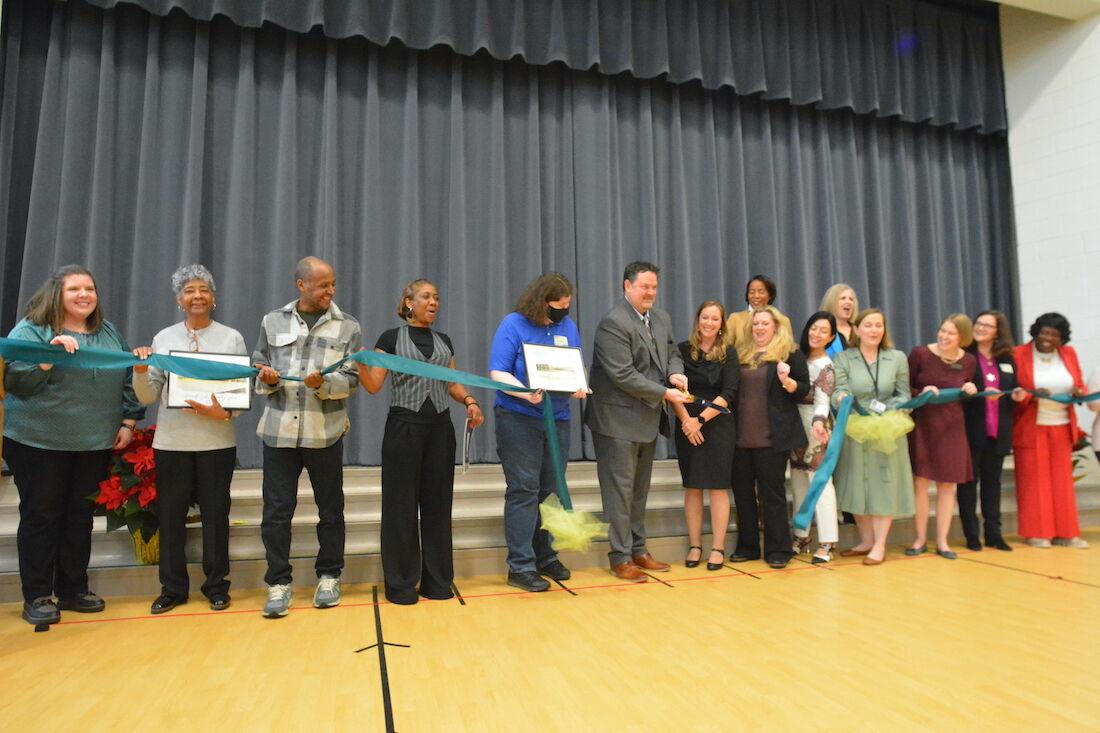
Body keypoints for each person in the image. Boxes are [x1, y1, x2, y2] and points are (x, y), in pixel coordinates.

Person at [3, 265, 145, 625]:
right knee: (41, 517)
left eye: (89, 289)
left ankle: (73, 589)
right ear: (57, 294)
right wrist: (48, 360)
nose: (84, 295)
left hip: (93, 442)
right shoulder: (32, 329)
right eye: (74, 289)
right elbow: (14, 380)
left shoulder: (107, 331)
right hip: (38, 442)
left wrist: (128, 420)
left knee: (79, 519)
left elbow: (127, 374)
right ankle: (37, 595)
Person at [359, 279, 485, 604]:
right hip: (404, 428)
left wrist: (470, 401)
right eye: (426, 297)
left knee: (438, 506)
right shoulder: (389, 338)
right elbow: (373, 386)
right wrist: (360, 362)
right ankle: (401, 585)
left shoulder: (444, 341)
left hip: (440, 430)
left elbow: (453, 383)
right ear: (408, 302)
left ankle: (437, 581)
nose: (434, 302)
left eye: (437, 298)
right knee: (400, 507)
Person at [132, 265, 248, 613]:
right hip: (172, 444)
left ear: (213, 297)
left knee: (216, 517)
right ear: (179, 299)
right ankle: (172, 588)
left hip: (217, 443)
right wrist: (140, 371)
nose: (197, 296)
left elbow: (242, 390)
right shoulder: (163, 338)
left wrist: (225, 413)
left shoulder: (231, 338)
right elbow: (148, 396)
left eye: (203, 290)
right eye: (189, 291)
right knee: (170, 517)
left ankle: (216, 586)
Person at [253, 256, 361, 617]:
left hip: (324, 433)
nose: (330, 291)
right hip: (278, 432)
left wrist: (325, 384)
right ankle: (278, 583)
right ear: (301, 286)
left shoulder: (348, 327)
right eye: (323, 285)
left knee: (331, 510)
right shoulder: (272, 321)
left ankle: (329, 575)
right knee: (276, 513)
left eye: (333, 284)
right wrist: (265, 378)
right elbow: (257, 364)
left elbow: (352, 379)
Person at [585, 261, 688, 582]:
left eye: (654, 287)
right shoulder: (612, 324)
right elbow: (622, 374)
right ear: (626, 286)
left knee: (639, 490)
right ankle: (620, 556)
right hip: (616, 421)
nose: (650, 293)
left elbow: (672, 350)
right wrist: (666, 393)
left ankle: (639, 549)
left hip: (646, 417)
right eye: (644, 287)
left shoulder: (661, 318)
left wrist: (675, 371)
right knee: (619, 492)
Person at [488, 273, 587, 592]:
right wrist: (524, 392)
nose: (564, 311)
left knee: (550, 489)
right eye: (559, 306)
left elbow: (574, 364)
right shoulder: (513, 324)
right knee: (524, 489)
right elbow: (498, 371)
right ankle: (520, 565)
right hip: (519, 418)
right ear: (542, 302)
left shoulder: (566, 327)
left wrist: (579, 386)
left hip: (556, 417)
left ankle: (545, 556)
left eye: (568, 306)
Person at [729, 306, 810, 569]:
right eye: (756, 324)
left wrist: (787, 381)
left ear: (776, 326)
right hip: (741, 438)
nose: (760, 328)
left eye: (765, 323)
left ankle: (778, 549)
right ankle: (748, 547)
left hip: (772, 438)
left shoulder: (790, 353)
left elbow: (804, 390)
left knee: (772, 495)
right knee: (743, 494)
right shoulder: (740, 353)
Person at [831, 308, 914, 565]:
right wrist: (841, 398)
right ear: (856, 329)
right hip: (855, 427)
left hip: (888, 429)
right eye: (868, 325)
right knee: (857, 484)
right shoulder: (844, 359)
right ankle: (866, 540)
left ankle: (879, 545)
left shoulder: (897, 358)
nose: (874, 330)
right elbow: (838, 390)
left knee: (883, 486)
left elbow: (904, 395)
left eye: (879, 325)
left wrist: (891, 410)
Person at [671, 300, 738, 571]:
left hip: (717, 426)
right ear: (697, 319)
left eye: (715, 319)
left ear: (722, 324)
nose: (709, 323)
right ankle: (695, 545)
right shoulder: (682, 350)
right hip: (687, 426)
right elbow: (672, 389)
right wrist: (687, 421)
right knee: (693, 487)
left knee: (718, 488)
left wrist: (700, 420)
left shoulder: (728, 353)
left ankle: (718, 547)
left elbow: (728, 394)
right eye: (705, 317)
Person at [1012, 313, 1088, 549]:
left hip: (1062, 425)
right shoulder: (1019, 354)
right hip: (1031, 426)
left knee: (1062, 483)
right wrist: (1032, 394)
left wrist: (1079, 391)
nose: (1048, 338)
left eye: (1054, 335)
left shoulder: (1069, 354)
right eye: (1044, 332)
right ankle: (1037, 532)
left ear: (1062, 338)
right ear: (1036, 331)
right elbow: (1013, 392)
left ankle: (1066, 533)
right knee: (1034, 482)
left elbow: (1079, 383)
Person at [906, 314, 979, 560]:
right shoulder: (920, 354)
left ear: (963, 337)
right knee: (921, 483)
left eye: (951, 333)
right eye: (942, 330)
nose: (944, 336)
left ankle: (943, 541)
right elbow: (905, 389)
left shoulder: (969, 361)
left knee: (948, 486)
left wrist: (971, 389)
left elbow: (968, 389)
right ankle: (919, 539)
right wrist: (922, 391)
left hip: (953, 426)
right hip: (924, 424)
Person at [957, 310, 1019, 552]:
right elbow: (958, 390)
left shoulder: (1007, 359)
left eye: (987, 325)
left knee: (993, 483)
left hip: (999, 430)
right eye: (978, 323)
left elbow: (1012, 391)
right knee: (969, 484)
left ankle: (994, 533)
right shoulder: (966, 357)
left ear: (997, 333)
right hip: (972, 430)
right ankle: (972, 535)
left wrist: (1018, 395)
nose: (980, 328)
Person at [789, 312, 839, 564]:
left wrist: (819, 423)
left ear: (831, 337)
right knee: (798, 480)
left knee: (820, 483)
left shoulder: (826, 367)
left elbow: (822, 402)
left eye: (823, 331)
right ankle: (801, 535)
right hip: (794, 425)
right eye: (813, 328)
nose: (816, 333)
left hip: (814, 426)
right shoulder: (797, 356)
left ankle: (827, 540)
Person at [724, 275, 793, 350]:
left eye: (761, 292)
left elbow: (789, 349)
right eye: (752, 292)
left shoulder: (783, 320)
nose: (756, 296)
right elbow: (725, 348)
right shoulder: (735, 319)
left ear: (770, 295)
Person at [820, 283, 859, 358]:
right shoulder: (821, 331)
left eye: (851, 299)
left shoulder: (860, 330)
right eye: (843, 298)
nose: (848, 302)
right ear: (832, 302)